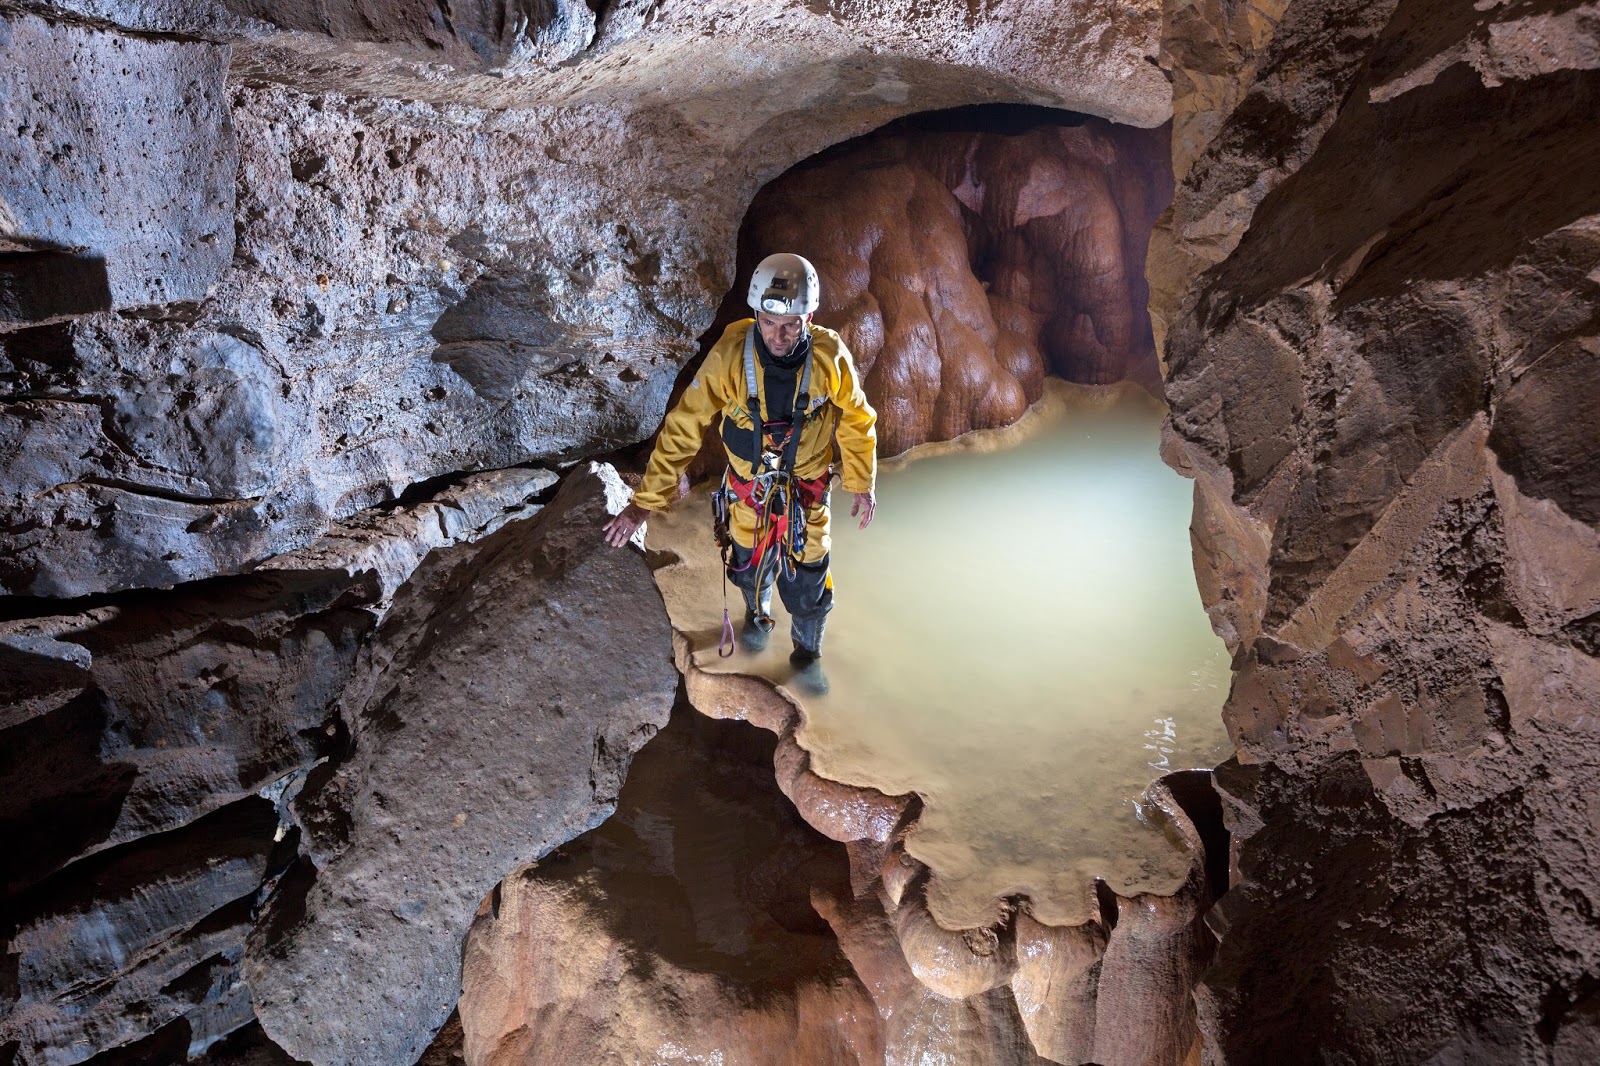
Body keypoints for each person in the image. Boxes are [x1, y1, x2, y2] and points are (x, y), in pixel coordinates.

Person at [603, 252, 877, 668]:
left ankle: (807, 658)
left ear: (811, 315)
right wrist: (643, 505)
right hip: (748, 491)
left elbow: (857, 417)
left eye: (790, 325)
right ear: (755, 313)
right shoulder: (731, 354)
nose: (779, 336)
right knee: (747, 567)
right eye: (768, 322)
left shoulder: (829, 356)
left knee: (809, 584)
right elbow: (685, 425)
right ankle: (757, 617)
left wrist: (861, 480)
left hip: (806, 494)